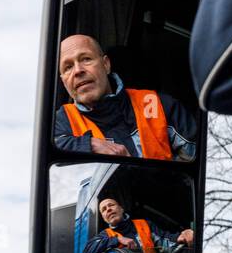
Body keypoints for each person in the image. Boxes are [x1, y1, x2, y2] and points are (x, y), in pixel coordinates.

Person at [55, 34, 197, 160]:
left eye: (86, 59)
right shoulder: (61, 121)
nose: (78, 71)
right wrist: (89, 144)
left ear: (106, 65)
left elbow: (202, 161)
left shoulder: (159, 104)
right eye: (68, 67)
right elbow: (38, 149)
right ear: (63, 81)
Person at [80, 196, 194, 253]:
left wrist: (181, 236)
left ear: (121, 208)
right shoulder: (105, 235)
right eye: (104, 210)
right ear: (104, 218)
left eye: (111, 205)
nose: (108, 209)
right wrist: (118, 239)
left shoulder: (143, 224)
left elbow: (163, 239)